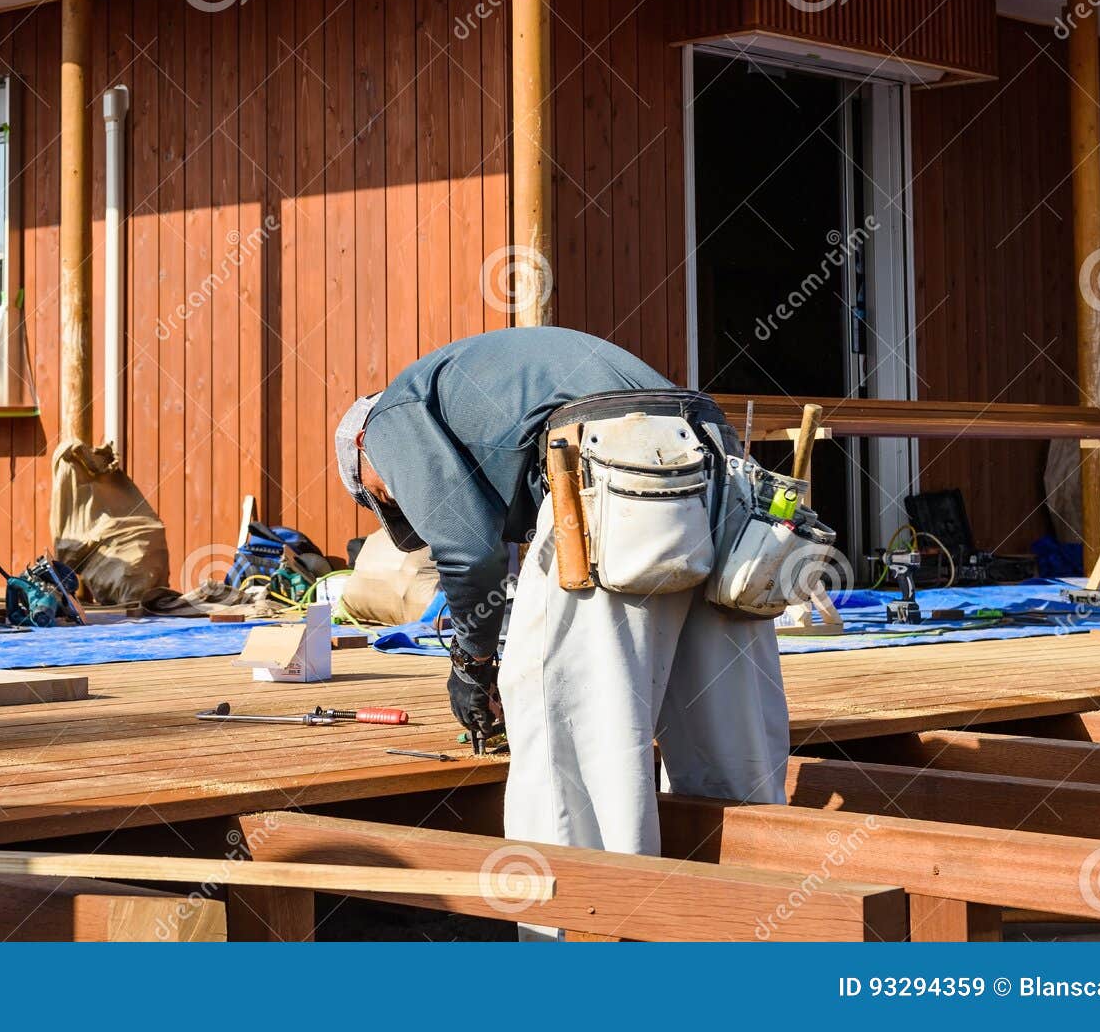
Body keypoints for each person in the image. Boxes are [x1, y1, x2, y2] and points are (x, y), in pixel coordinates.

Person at [334, 328, 789, 912]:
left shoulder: (389, 418)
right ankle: (749, 919)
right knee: (730, 744)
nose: (396, 503)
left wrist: (474, 666)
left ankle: (585, 935)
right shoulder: (486, 390)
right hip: (714, 463)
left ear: (363, 456)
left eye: (384, 497)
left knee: (573, 743)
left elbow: (468, 551)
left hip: (617, 471)